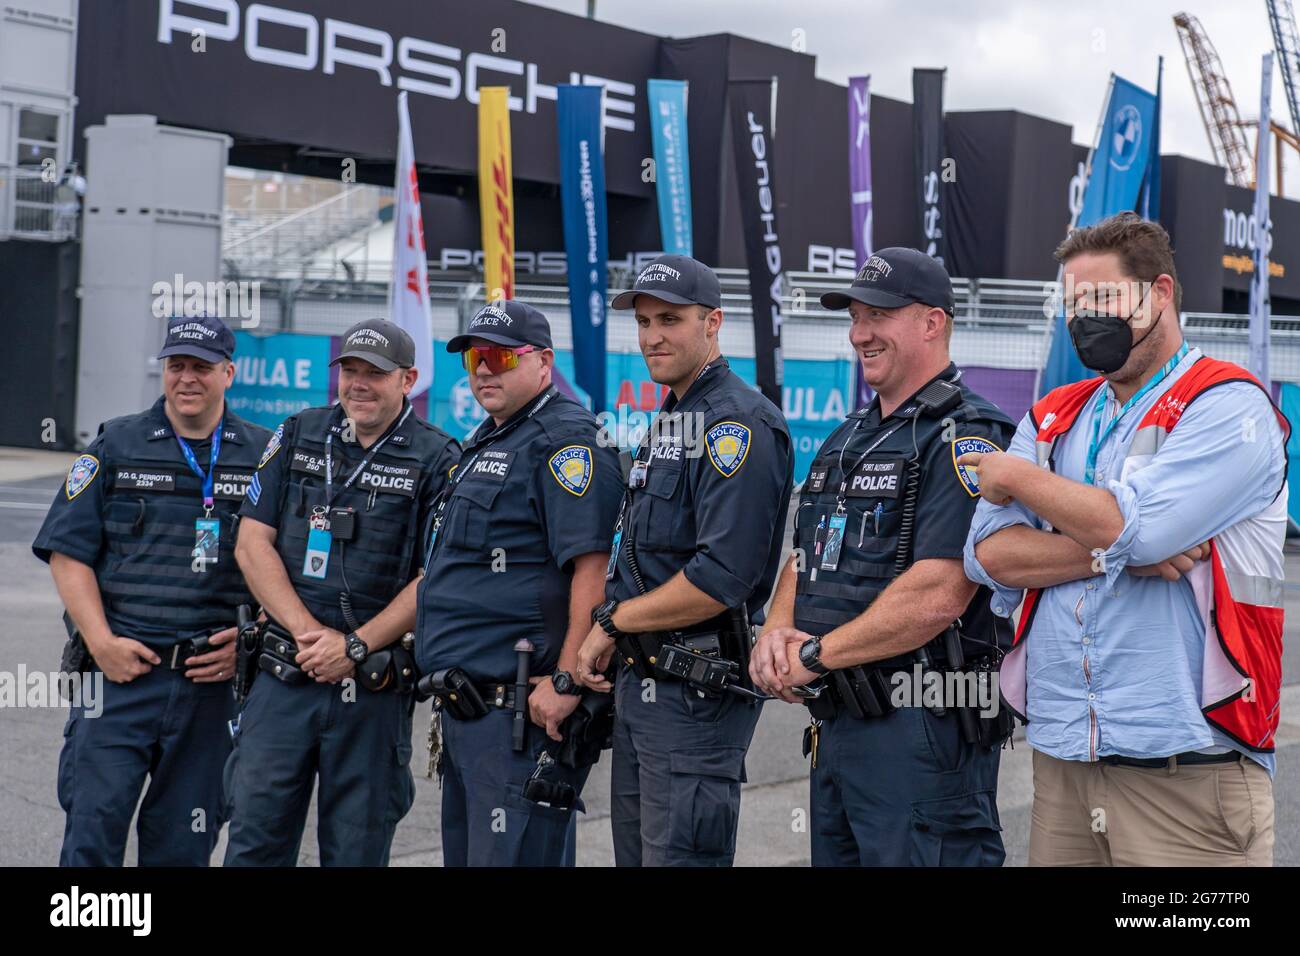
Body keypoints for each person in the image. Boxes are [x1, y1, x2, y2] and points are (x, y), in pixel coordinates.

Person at [962, 212, 1287, 866]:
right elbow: (989, 555)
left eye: (1103, 300)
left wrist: (1016, 475)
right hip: (1065, 761)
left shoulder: (1229, 406)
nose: (1085, 319)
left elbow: (1131, 529)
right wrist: (1112, 550)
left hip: (1189, 769)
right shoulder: (1056, 413)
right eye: (1074, 305)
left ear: (1159, 294)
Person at [749, 248, 1016, 866]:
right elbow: (806, 553)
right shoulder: (850, 434)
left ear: (932, 323)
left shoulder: (968, 434)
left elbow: (940, 590)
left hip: (920, 734)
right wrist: (776, 629)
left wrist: (815, 655)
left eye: (879, 316)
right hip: (837, 725)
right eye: (856, 317)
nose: (860, 333)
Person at [575, 254, 793, 866]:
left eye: (669, 319)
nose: (652, 337)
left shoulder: (737, 423)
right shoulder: (676, 415)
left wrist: (612, 622)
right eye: (643, 322)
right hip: (647, 692)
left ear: (713, 321)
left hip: (695, 702)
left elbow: (722, 578)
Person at [32, 315, 271, 866]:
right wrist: (101, 643)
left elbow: (279, 567)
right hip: (120, 676)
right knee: (92, 833)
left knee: (183, 845)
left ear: (229, 372)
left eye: (202, 367)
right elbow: (69, 555)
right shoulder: (116, 443)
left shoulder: (261, 453)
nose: (187, 378)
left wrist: (250, 639)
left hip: (209, 687)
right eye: (176, 365)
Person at [224, 318, 460, 866]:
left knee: (356, 851)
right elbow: (251, 544)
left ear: (409, 379)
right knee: (254, 842)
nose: (358, 384)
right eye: (349, 370)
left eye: (374, 374)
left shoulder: (438, 459)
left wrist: (353, 647)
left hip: (372, 690)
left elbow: (436, 578)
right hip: (286, 673)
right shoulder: (298, 433)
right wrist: (313, 637)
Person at [415, 300, 623, 866]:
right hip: (470, 712)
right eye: (475, 357)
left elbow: (593, 567)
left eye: (501, 355)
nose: (484, 369)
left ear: (543, 363)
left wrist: (567, 679)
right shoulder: (492, 437)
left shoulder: (567, 440)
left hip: (521, 717)